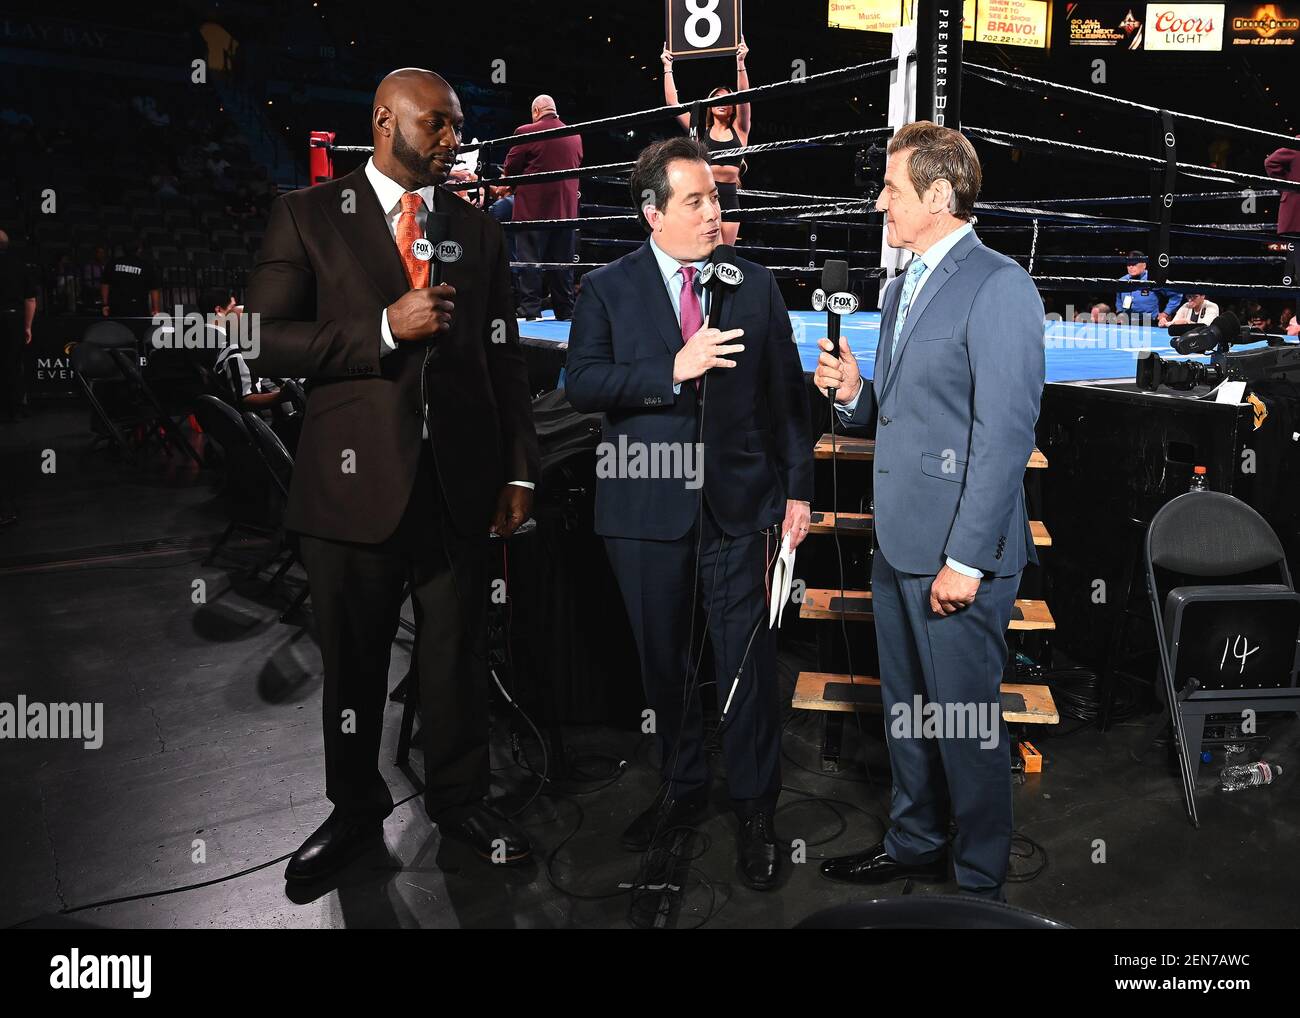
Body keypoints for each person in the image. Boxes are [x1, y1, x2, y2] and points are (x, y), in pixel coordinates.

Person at [244, 67, 540, 885]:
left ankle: (460, 800)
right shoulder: (305, 214)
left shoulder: (477, 230)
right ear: (384, 122)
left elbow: (502, 356)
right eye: (438, 125)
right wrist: (381, 327)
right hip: (349, 490)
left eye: (456, 125)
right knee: (355, 664)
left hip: (460, 482)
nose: (454, 140)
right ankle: (354, 810)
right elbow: (266, 340)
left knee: (455, 657)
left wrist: (520, 471)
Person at [566, 136, 814, 891]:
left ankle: (755, 806)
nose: (715, 213)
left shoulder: (754, 284)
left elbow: (787, 400)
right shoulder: (606, 288)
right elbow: (582, 383)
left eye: (717, 198)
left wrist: (798, 490)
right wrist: (670, 371)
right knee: (663, 667)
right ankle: (681, 788)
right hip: (642, 511)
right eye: (697, 201)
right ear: (654, 214)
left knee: (746, 669)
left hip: (738, 512)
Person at [813, 121, 1045, 901]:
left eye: (892, 189)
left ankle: (978, 883)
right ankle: (914, 843)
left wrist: (966, 560)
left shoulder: (1000, 284)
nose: (880, 202)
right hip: (899, 545)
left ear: (939, 196)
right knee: (907, 714)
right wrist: (854, 396)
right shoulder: (900, 283)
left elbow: (1005, 435)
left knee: (964, 726)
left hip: (956, 556)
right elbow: (905, 412)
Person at [661, 38, 751, 247]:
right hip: (705, 195)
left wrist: (740, 63)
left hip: (729, 197)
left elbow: (746, 97)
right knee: (705, 252)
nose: (721, 102)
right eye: (717, 98)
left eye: (727, 99)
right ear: (710, 105)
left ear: (733, 108)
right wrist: (667, 67)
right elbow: (673, 104)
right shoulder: (700, 131)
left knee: (724, 256)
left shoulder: (740, 130)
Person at [502, 94, 583, 321]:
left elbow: (510, 169)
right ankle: (565, 309)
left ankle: (530, 310)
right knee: (561, 264)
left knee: (530, 261)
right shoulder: (574, 134)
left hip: (533, 211)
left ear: (536, 111)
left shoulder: (526, 131)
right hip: (566, 212)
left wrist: (513, 185)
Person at [0, 230, 38, 423]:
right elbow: (30, 299)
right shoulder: (19, 266)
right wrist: (28, 327)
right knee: (14, 363)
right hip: (13, 319)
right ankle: (16, 407)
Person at [1116, 251, 1181, 326]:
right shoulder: (1122, 280)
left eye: (1134, 264)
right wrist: (1120, 312)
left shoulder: (1154, 278)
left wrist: (1165, 313)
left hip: (1148, 321)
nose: (1131, 267)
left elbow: (1177, 294)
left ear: (1144, 265)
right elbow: (1118, 298)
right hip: (1127, 321)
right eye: (1129, 264)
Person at [101, 239, 161, 319]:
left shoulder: (112, 263)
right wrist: (156, 310)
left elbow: (105, 284)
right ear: (139, 250)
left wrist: (105, 304)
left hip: (116, 307)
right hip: (138, 308)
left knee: (116, 329)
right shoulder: (146, 266)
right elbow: (154, 289)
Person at [1264, 138, 1300, 236]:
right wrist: (1288, 185)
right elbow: (1270, 162)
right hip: (1295, 214)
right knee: (1295, 248)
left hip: (1294, 213)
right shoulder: (1297, 144)